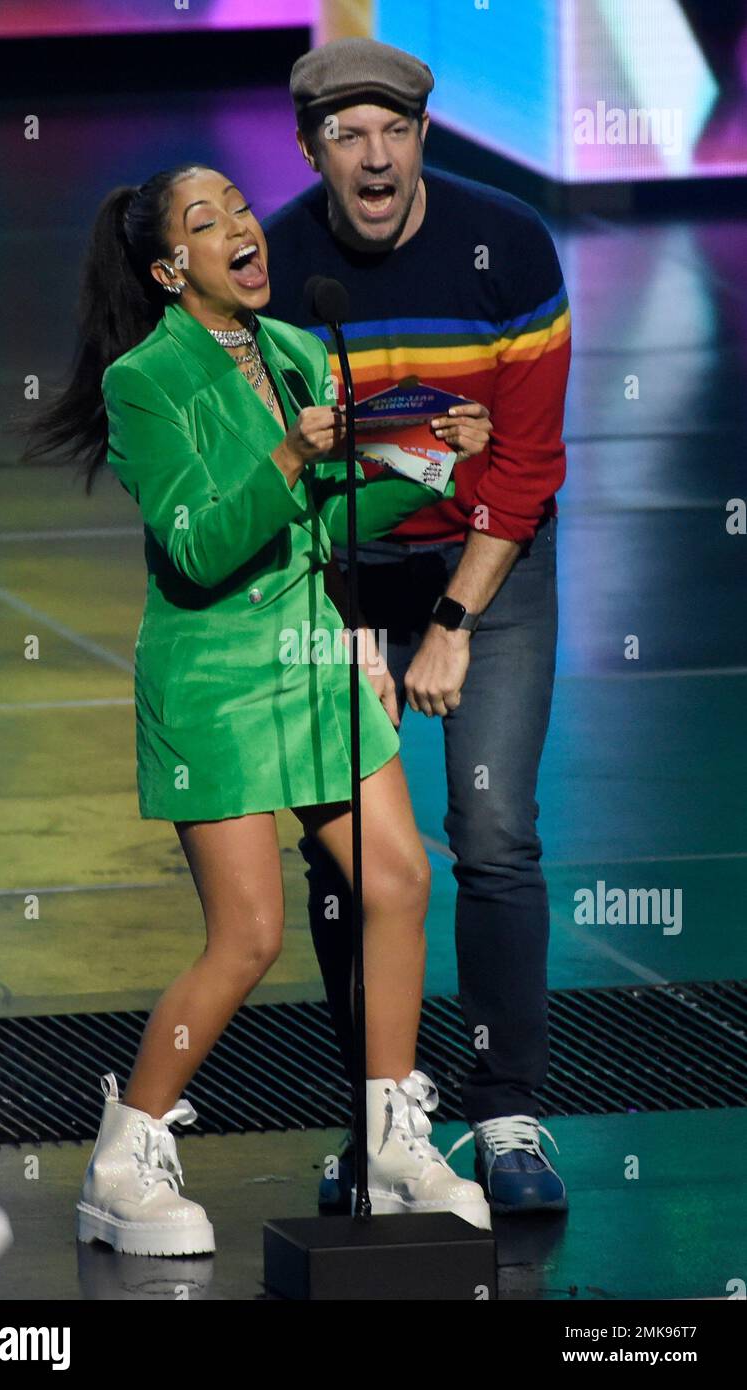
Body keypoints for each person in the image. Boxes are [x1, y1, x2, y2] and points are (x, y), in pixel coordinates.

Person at [23, 161, 492, 1256]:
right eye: (207, 219)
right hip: (217, 679)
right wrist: (290, 453)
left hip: (311, 655)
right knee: (248, 933)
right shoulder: (146, 380)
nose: (242, 225)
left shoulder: (289, 351)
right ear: (167, 265)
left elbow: (327, 511)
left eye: (241, 206)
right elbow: (196, 544)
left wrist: (423, 463)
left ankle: (388, 1129)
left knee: (398, 878)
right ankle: (124, 1154)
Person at [263, 37, 571, 1214]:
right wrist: (342, 627)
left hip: (484, 564)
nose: (375, 156)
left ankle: (506, 1114)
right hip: (335, 577)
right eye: (348, 134)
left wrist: (451, 620)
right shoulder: (275, 266)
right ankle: (378, 1118)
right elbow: (277, 478)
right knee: (348, 853)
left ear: (424, 136)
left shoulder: (510, 247)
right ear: (311, 149)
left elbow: (531, 458)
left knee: (492, 831)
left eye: (393, 131)